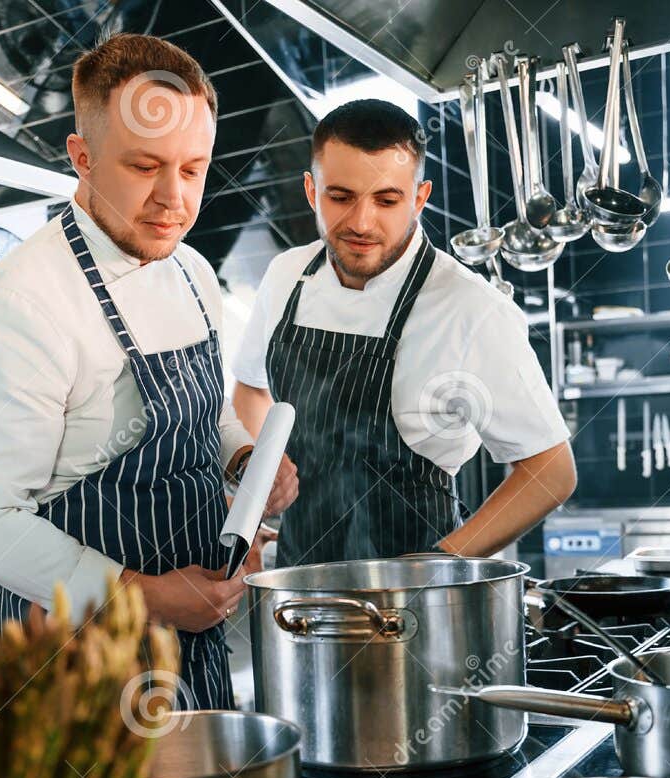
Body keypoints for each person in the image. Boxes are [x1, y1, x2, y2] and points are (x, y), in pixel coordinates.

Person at [0, 34, 292, 710]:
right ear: (82, 157)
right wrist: (149, 595)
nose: (173, 197)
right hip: (73, 659)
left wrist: (243, 461)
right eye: (144, 166)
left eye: (194, 168)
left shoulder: (190, 273)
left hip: (194, 643)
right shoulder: (22, 304)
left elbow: (205, 411)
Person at [232, 99, 575, 565]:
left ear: (419, 197)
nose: (361, 222)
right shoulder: (285, 276)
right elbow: (252, 389)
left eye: (386, 200)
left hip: (418, 609)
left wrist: (439, 565)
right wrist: (259, 474)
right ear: (312, 191)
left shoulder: (468, 307)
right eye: (341, 196)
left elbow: (550, 471)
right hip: (298, 591)